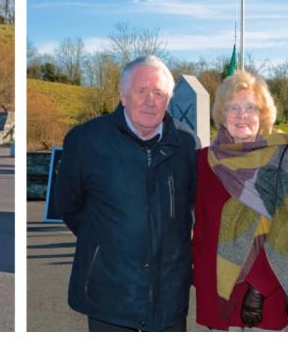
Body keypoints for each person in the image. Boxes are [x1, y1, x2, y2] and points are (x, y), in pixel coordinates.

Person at [56, 55, 196, 331]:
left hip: (168, 300)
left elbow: (190, 208)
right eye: (141, 91)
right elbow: (68, 205)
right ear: (123, 95)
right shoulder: (86, 140)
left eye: (158, 92)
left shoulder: (187, 144)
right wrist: (107, 242)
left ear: (168, 99)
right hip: (110, 300)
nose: (150, 100)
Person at [192, 70, 288, 331]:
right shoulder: (205, 161)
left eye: (250, 107)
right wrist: (198, 277)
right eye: (233, 108)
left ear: (263, 115)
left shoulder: (284, 158)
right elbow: (200, 227)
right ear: (221, 115)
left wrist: (260, 287)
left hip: (264, 294)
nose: (242, 115)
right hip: (217, 290)